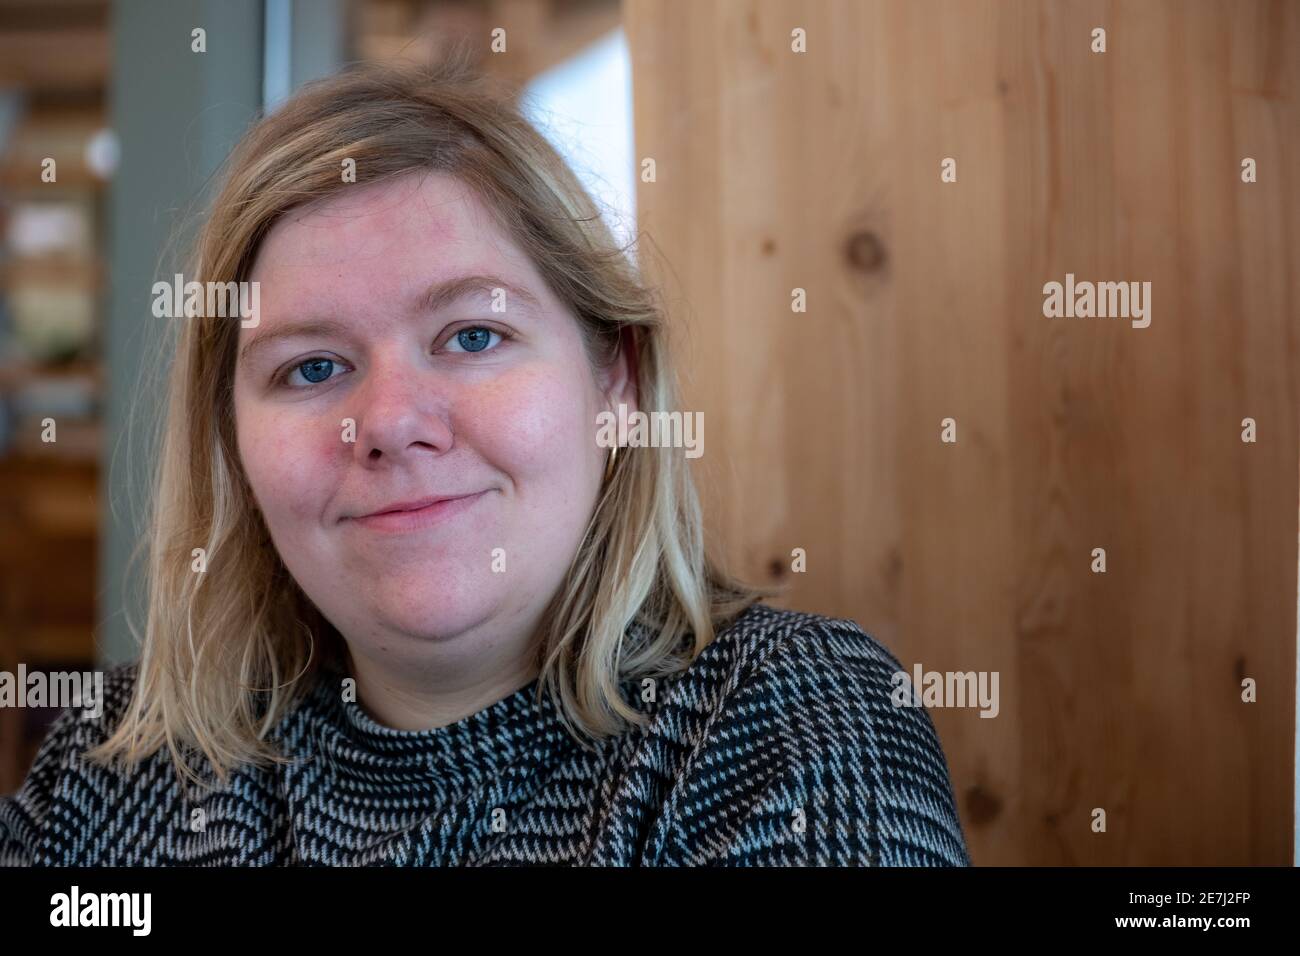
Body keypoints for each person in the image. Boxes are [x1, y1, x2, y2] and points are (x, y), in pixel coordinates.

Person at [0, 56, 970, 866]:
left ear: (616, 383)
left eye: (471, 336)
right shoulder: (112, 766)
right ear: (232, 442)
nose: (387, 420)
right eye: (313, 366)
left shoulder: (788, 723)